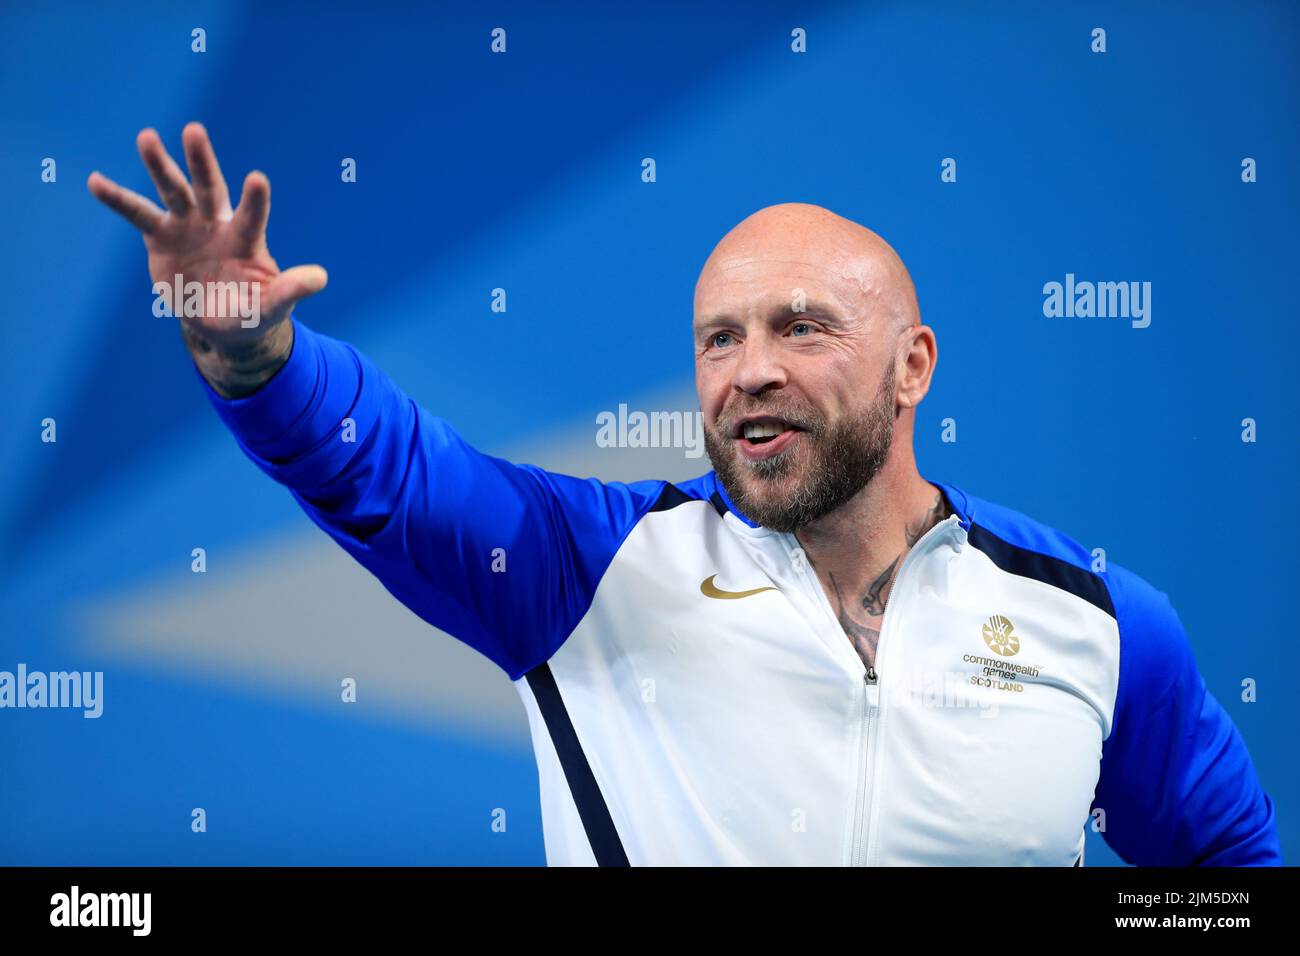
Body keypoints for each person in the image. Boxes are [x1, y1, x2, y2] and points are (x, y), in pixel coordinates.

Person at [88, 122, 1283, 867]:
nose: (748, 368)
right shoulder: (586, 571)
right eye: (718, 339)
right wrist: (257, 362)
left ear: (912, 365)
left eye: (799, 327)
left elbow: (1224, 871)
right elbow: (388, 469)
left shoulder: (1101, 623)